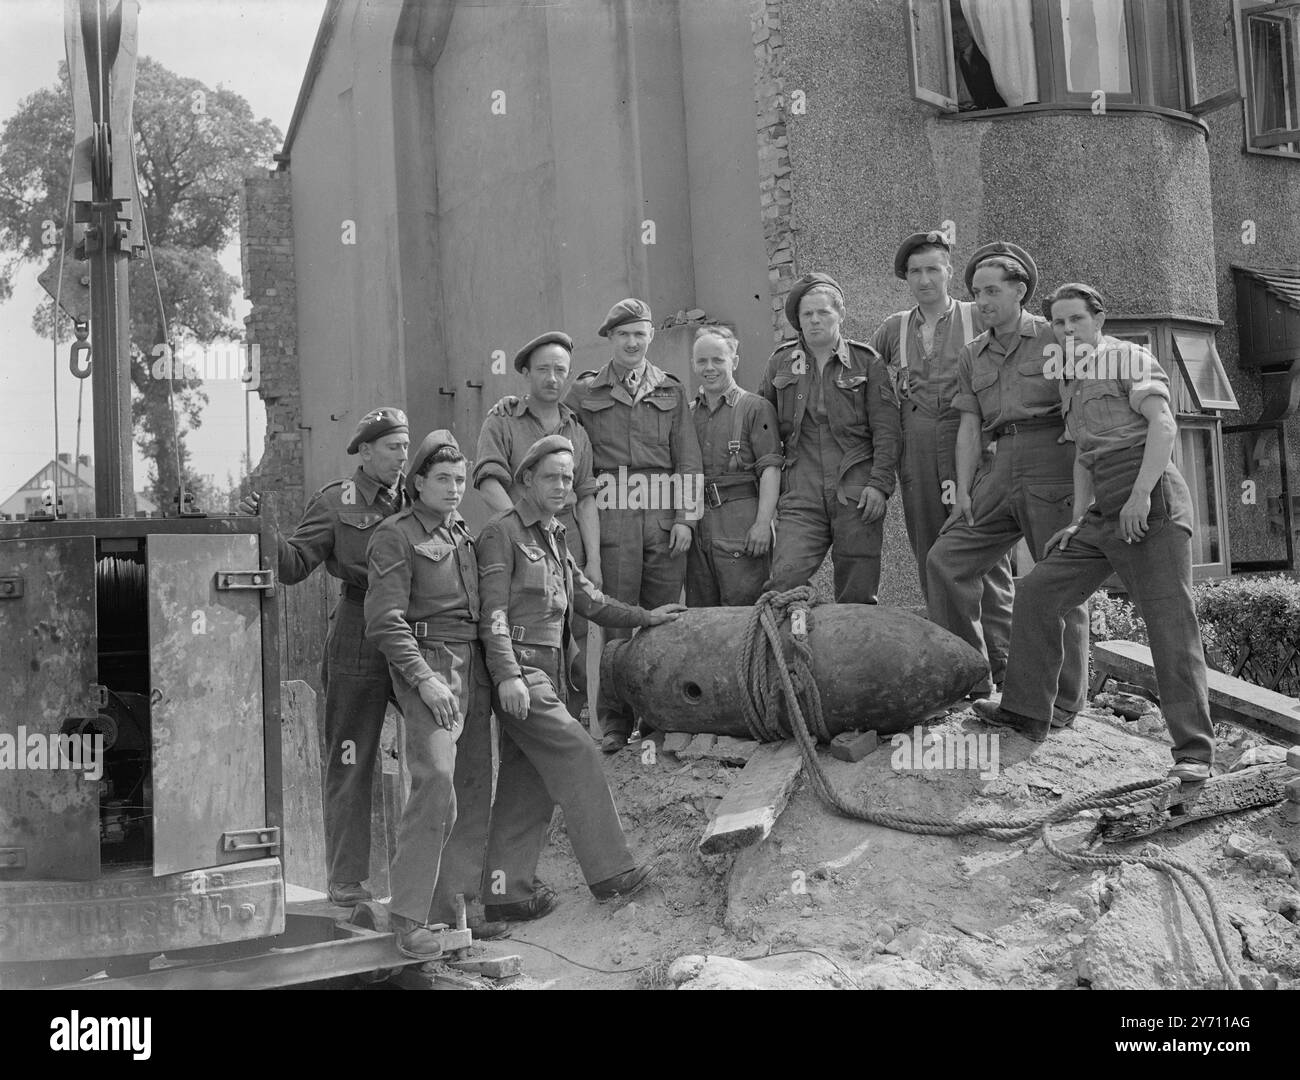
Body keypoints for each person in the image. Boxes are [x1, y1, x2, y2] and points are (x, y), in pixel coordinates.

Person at [975, 284, 1215, 781]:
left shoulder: (1128, 357)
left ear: (1099, 319)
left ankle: (1193, 753)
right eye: (1059, 323)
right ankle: (1027, 711)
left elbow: (1164, 427)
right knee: (1039, 591)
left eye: (1076, 320)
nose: (1067, 331)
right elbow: (1084, 455)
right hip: (1104, 507)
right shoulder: (1071, 376)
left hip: (1152, 499)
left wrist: (1140, 497)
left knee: (1169, 623)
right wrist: (1079, 519)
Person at [476, 434, 685, 911]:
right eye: (551, 476)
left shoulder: (555, 535)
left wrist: (645, 617)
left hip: (550, 675)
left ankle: (505, 895)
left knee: (524, 783)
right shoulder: (501, 532)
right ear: (526, 479)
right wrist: (507, 675)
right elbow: (493, 613)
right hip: (523, 675)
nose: (561, 485)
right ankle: (612, 875)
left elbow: (589, 600)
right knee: (579, 754)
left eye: (568, 478)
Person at [238, 407, 408, 907]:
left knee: (437, 753)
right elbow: (292, 566)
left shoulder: (418, 497)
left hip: (413, 633)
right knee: (352, 757)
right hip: (359, 637)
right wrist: (262, 528)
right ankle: (347, 881)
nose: (402, 456)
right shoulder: (337, 502)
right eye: (393, 447)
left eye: (405, 446)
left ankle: (436, 883)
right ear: (366, 450)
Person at [925, 242, 1087, 718]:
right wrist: (963, 493)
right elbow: (969, 428)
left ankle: (1062, 702)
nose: (982, 301)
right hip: (998, 466)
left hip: (1052, 459)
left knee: (1058, 577)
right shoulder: (972, 354)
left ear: (1020, 291)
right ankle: (969, 678)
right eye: (976, 292)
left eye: (992, 290)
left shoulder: (1054, 338)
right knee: (945, 559)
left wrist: (1083, 491)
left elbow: (1083, 406)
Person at [363, 430, 499, 959]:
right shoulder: (395, 535)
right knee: (435, 782)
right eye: (442, 478)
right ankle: (408, 917)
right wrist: (423, 677)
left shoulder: (464, 532)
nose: (453, 487)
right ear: (418, 481)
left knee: (467, 790)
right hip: (430, 667)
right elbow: (384, 620)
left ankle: (451, 912)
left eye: (461, 479)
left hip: (474, 669)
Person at [871, 231, 1013, 687]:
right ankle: (961, 671)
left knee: (983, 552)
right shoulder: (893, 328)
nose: (925, 279)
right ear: (905, 278)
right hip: (916, 447)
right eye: (916, 271)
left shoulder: (978, 316)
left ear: (950, 272)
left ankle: (1006, 665)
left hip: (973, 443)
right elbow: (873, 389)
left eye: (934, 268)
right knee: (932, 553)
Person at [474, 331, 600, 720]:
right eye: (543, 369)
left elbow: (587, 495)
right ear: (526, 373)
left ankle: (572, 724)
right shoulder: (502, 420)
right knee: (520, 631)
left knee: (572, 635)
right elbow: (488, 480)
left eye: (560, 370)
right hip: (517, 544)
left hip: (566, 543)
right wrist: (521, 523)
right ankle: (526, 723)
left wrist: (592, 559)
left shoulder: (576, 430)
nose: (552, 378)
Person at [758, 273, 902, 603]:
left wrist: (879, 485)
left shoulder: (867, 362)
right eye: (807, 314)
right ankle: (793, 649)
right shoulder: (780, 362)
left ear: (840, 314)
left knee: (858, 592)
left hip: (856, 491)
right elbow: (762, 427)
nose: (814, 320)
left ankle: (851, 654)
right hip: (800, 493)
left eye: (823, 312)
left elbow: (887, 431)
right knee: (783, 580)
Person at [685, 325, 782, 606]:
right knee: (703, 618)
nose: (710, 368)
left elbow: (771, 469)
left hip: (742, 527)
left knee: (744, 612)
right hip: (700, 530)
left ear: (734, 361)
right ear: (693, 364)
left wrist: (764, 523)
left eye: (718, 360)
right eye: (702, 361)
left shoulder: (755, 408)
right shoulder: (688, 414)